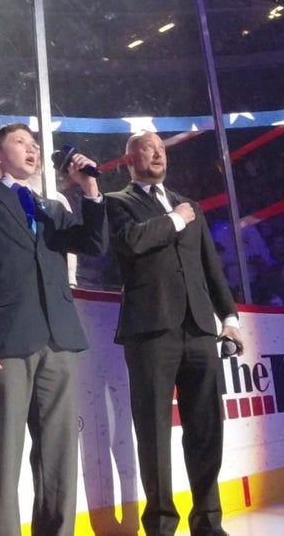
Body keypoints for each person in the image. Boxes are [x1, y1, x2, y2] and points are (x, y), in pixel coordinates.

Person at [0, 124, 106, 535]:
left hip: (58, 339)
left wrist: (89, 189)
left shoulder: (50, 208)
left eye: (35, 144)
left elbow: (94, 244)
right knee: (4, 451)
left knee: (59, 452)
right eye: (21, 142)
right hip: (5, 341)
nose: (32, 149)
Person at [104, 132, 239, 536]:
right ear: (130, 159)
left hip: (199, 328)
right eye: (148, 147)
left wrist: (228, 317)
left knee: (207, 427)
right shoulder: (119, 203)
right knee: (154, 433)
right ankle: (161, 525)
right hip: (150, 331)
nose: (159, 152)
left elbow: (209, 267)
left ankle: (208, 521)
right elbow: (131, 243)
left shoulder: (191, 204)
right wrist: (175, 219)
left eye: (162, 148)